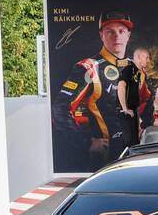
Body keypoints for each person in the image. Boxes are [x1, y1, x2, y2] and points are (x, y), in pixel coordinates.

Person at [53, 9, 139, 168]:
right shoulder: (89, 68)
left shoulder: (134, 67)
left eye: (121, 31)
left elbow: (145, 104)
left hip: (134, 154)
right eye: (110, 32)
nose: (117, 36)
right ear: (101, 35)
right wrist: (86, 143)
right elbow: (60, 109)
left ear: (128, 35)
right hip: (105, 161)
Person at [132, 47, 155, 129]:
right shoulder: (129, 72)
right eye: (146, 57)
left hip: (144, 112)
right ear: (139, 57)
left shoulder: (142, 73)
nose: (148, 60)